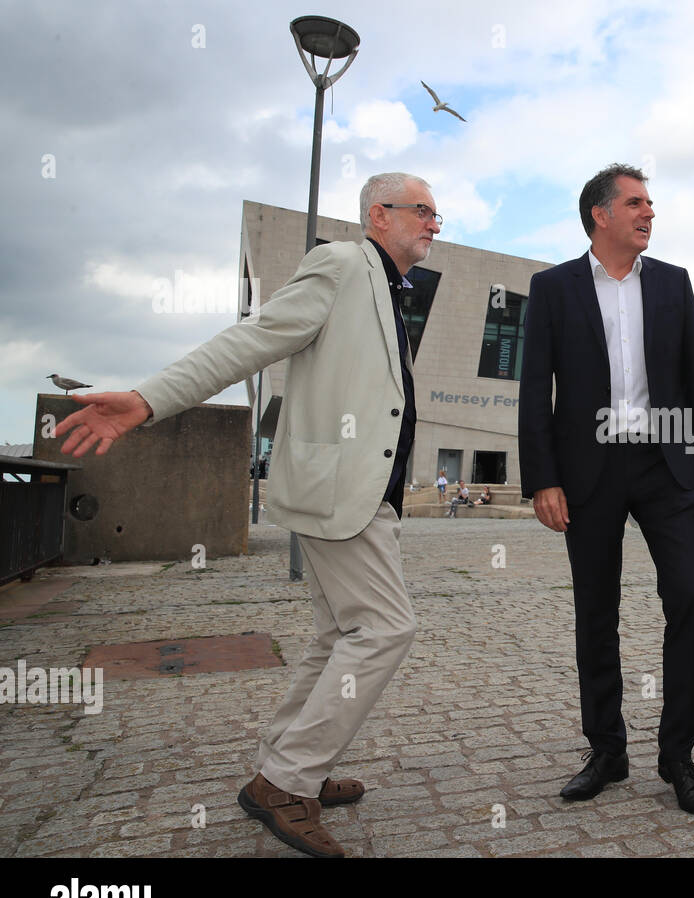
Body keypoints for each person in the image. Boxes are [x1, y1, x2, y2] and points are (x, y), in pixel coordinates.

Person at [51, 171, 441, 856]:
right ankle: (289, 782)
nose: (435, 224)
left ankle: (288, 768)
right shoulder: (344, 263)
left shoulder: (387, 287)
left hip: (361, 492)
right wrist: (148, 400)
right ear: (379, 214)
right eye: (423, 212)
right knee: (385, 628)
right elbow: (250, 340)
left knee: (337, 636)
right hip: (338, 493)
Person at [518, 163, 694, 818]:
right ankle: (607, 750)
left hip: (665, 464)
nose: (649, 213)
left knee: (691, 596)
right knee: (596, 612)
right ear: (600, 215)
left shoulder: (672, 283)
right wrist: (543, 479)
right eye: (636, 203)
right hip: (588, 472)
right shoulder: (552, 288)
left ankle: (678, 756)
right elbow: (535, 392)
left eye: (651, 203)